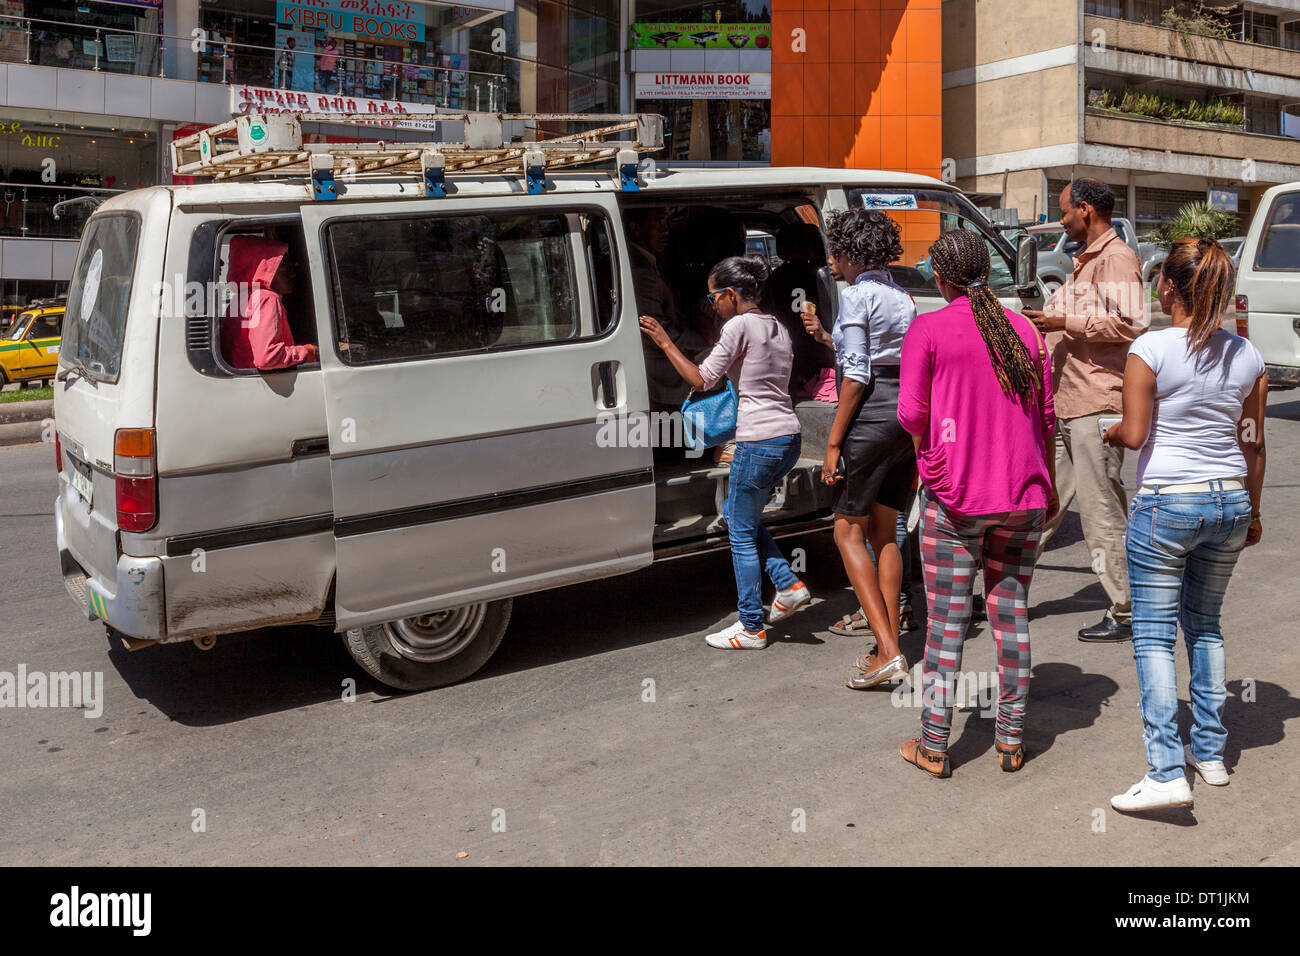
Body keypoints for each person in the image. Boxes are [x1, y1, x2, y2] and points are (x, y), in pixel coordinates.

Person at [1105, 238, 1267, 812]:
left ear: (1169, 287)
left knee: (1152, 637)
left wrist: (1109, 431)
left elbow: (1135, 434)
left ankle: (1166, 770)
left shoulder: (1150, 348)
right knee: (1206, 626)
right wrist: (1253, 510)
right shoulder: (1246, 356)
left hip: (1167, 504)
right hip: (1228, 502)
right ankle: (1212, 754)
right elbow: (1253, 446)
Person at [896, 229, 1057, 778]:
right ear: (985, 272)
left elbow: (912, 416)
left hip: (954, 501)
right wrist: (1048, 490)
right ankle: (1010, 740)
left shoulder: (929, 329)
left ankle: (934, 745)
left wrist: (932, 459)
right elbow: (1048, 420)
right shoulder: (1025, 331)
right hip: (1023, 497)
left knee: (944, 623)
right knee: (1010, 617)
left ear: (940, 280)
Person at [640, 255, 809, 648]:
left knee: (741, 533)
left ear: (732, 294)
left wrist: (664, 342)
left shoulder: (738, 326)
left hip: (758, 440)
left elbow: (701, 379)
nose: (711, 304)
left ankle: (751, 625)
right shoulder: (776, 326)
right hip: (788, 437)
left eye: (714, 296)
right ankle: (788, 585)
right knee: (738, 517)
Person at [801, 208, 916, 689]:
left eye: (836, 252)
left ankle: (887, 649)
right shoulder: (901, 295)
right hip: (906, 416)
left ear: (851, 253)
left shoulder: (856, 296)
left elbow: (856, 375)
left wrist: (832, 444)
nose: (832, 260)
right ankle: (887, 643)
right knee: (886, 535)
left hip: (868, 416)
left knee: (847, 533)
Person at [1024, 177, 1143, 643]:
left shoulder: (1116, 259)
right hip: (1067, 405)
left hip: (1097, 406)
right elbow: (1057, 321)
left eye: (1065, 211)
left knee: (1101, 513)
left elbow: (1132, 325)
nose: (1062, 219)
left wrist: (1063, 321)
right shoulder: (1084, 262)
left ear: (1087, 210)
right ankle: (1004, 589)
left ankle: (1128, 609)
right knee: (1040, 506)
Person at [221, 235, 318, 371]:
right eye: (284, 266)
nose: (292, 274)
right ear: (263, 268)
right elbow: (268, 358)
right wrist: (308, 352)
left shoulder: (242, 298)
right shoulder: (267, 298)